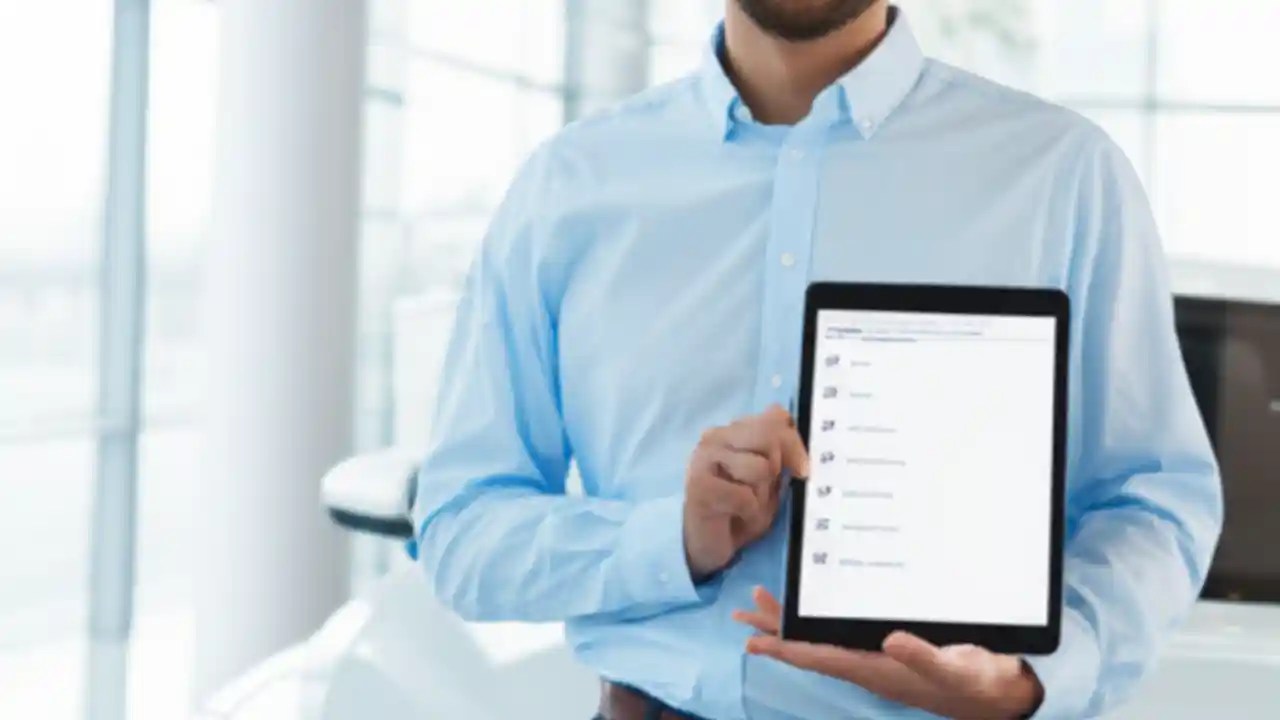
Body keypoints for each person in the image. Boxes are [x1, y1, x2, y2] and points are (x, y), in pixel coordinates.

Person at [412, 1, 1223, 718]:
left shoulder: (1060, 176)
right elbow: (463, 526)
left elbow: (1152, 501)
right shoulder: (569, 186)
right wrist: (672, 540)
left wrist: (1032, 679)